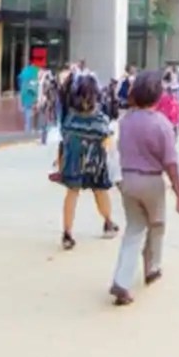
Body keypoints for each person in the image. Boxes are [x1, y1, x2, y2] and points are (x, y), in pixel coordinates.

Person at [109, 71, 179, 306]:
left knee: (134, 229)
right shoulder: (162, 125)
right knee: (157, 224)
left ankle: (122, 280)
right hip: (152, 180)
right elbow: (171, 163)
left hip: (128, 179)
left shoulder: (125, 122)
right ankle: (152, 266)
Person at [57, 75, 120, 250]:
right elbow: (107, 136)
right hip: (95, 161)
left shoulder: (69, 115)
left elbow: (64, 133)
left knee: (72, 192)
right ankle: (108, 223)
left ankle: (67, 233)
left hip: (73, 160)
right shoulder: (99, 117)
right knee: (99, 191)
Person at [17, 57, 41, 137]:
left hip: (25, 95)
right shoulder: (37, 71)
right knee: (36, 112)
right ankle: (36, 128)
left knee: (27, 112)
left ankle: (27, 129)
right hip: (34, 96)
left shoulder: (25, 70)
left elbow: (19, 79)